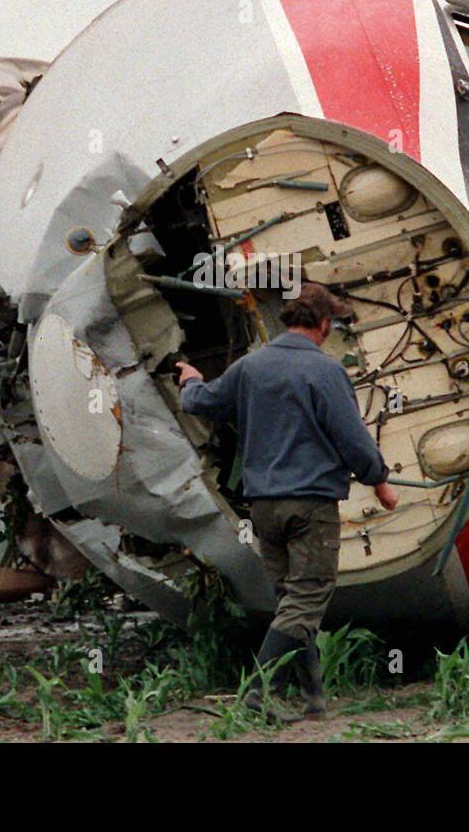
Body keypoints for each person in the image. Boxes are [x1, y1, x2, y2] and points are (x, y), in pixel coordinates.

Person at [175, 282, 398, 720]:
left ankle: (314, 699)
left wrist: (191, 380)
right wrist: (380, 481)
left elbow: (200, 402)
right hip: (310, 505)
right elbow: (352, 438)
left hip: (264, 508)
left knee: (291, 602)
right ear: (322, 324)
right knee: (307, 597)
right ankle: (257, 691)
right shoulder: (326, 371)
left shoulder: (249, 367)